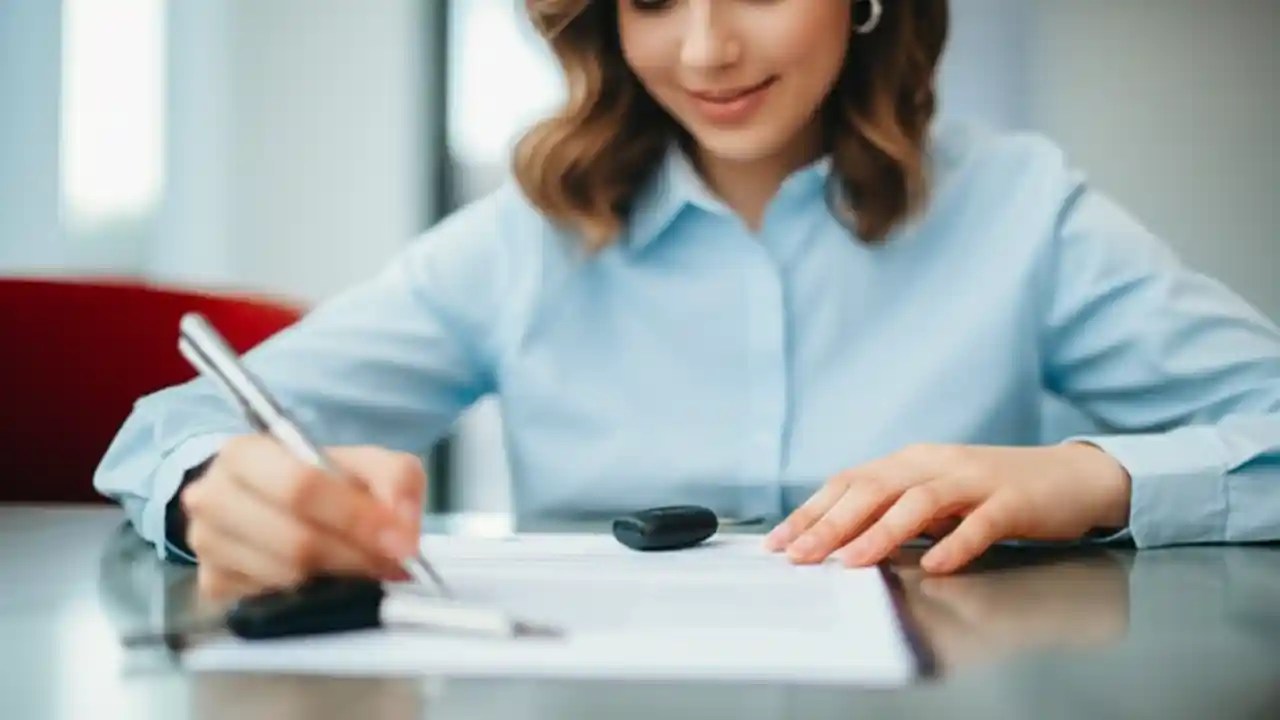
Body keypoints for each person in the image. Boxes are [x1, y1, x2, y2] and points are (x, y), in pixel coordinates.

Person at [95, 0, 1280, 602]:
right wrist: (213, 495)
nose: (706, 50)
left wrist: (1084, 477)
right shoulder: (527, 241)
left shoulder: (1020, 209)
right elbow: (165, 432)